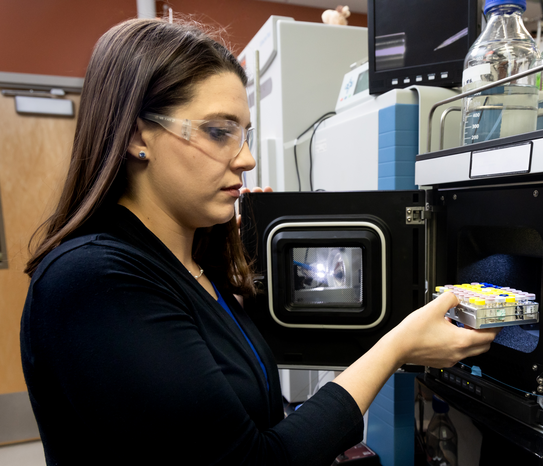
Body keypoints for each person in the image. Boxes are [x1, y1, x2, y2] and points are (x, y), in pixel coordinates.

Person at [20, 18, 498, 466]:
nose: (246, 159)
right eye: (218, 132)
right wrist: (395, 348)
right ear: (137, 135)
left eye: (244, 134)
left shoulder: (188, 263)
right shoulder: (94, 282)